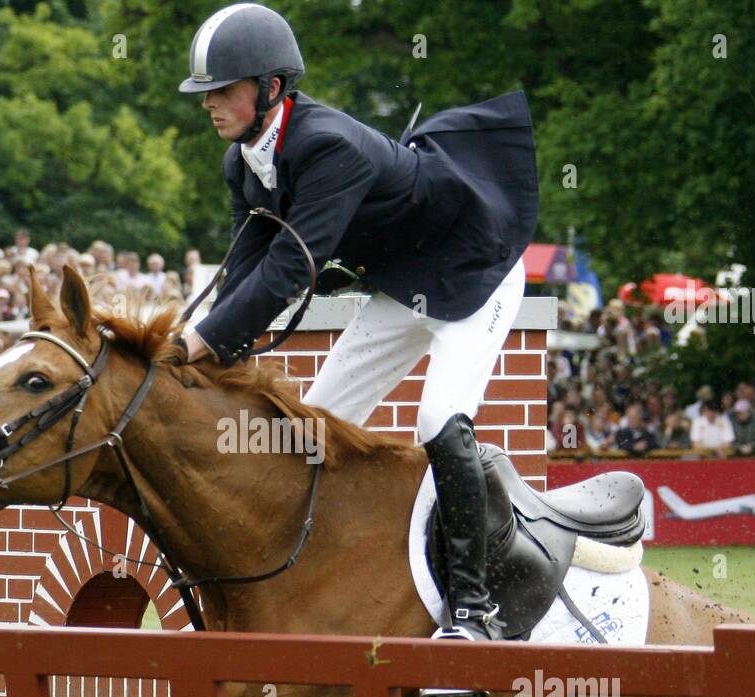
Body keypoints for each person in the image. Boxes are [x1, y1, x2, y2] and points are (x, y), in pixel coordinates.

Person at [175, 4, 539, 644]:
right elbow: (243, 271)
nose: (208, 104)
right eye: (204, 92)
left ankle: (474, 608)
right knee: (315, 422)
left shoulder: (328, 146)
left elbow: (289, 270)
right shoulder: (242, 162)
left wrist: (196, 348)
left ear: (271, 89)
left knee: (437, 421)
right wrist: (196, 347)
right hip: (405, 283)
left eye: (222, 90)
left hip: (477, 269)